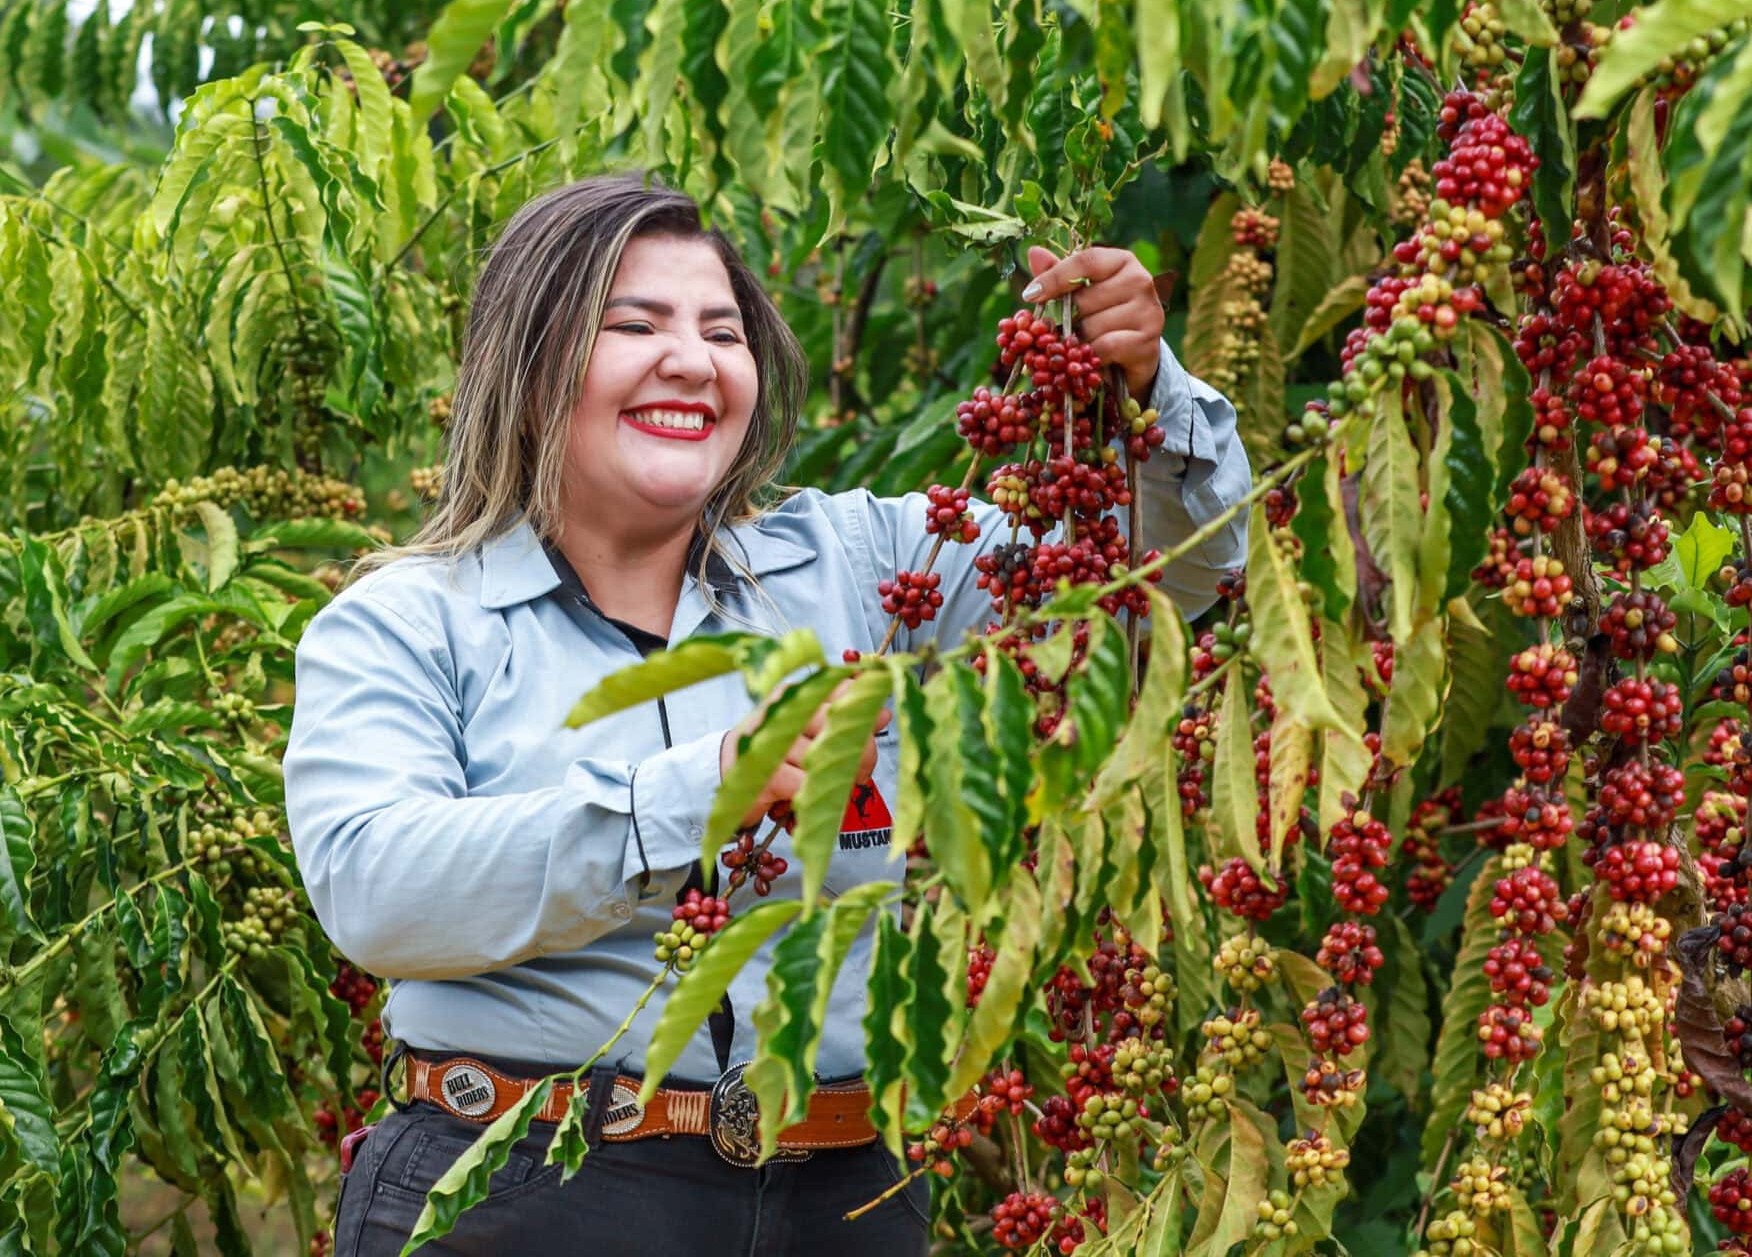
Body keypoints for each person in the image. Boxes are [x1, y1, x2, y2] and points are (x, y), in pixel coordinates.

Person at [283, 173, 1251, 1256]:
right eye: (632, 324)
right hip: (526, 1193)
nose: (689, 361)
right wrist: (692, 798)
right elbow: (376, 892)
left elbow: (1163, 577)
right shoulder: (410, 624)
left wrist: (1136, 392)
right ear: (529, 363)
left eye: (721, 331)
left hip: (840, 1194)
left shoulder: (876, 563)